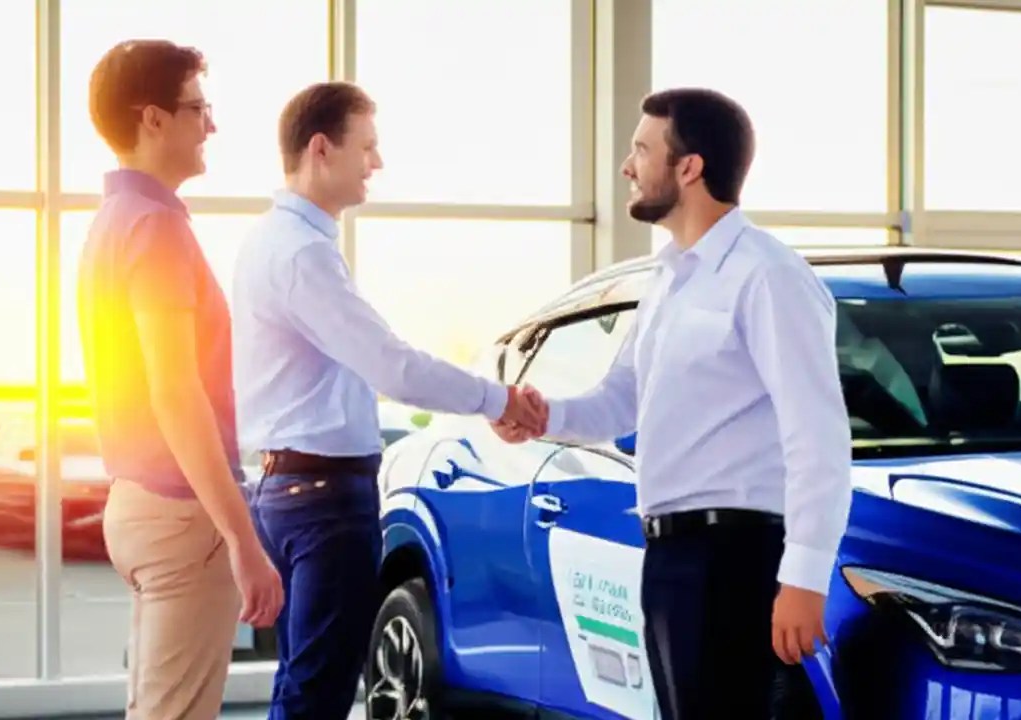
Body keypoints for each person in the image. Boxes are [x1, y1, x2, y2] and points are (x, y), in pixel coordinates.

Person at [495, 88, 852, 718]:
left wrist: (804, 578)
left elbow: (818, 436)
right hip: (670, 555)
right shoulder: (667, 279)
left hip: (736, 560)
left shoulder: (768, 276)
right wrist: (543, 414)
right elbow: (621, 401)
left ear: (689, 167)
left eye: (641, 149)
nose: (628, 166)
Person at [230, 81, 547, 720]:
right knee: (317, 690)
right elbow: (391, 366)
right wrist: (497, 398)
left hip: (292, 491)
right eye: (367, 147)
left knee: (301, 682)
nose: (376, 163)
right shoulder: (300, 254)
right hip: (321, 501)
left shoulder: (279, 241)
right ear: (322, 148)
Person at [78, 39, 283, 720]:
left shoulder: (112, 222)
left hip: (137, 505)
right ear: (153, 120)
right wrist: (242, 541)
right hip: (179, 512)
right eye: (198, 107)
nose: (211, 126)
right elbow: (175, 393)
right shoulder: (156, 227)